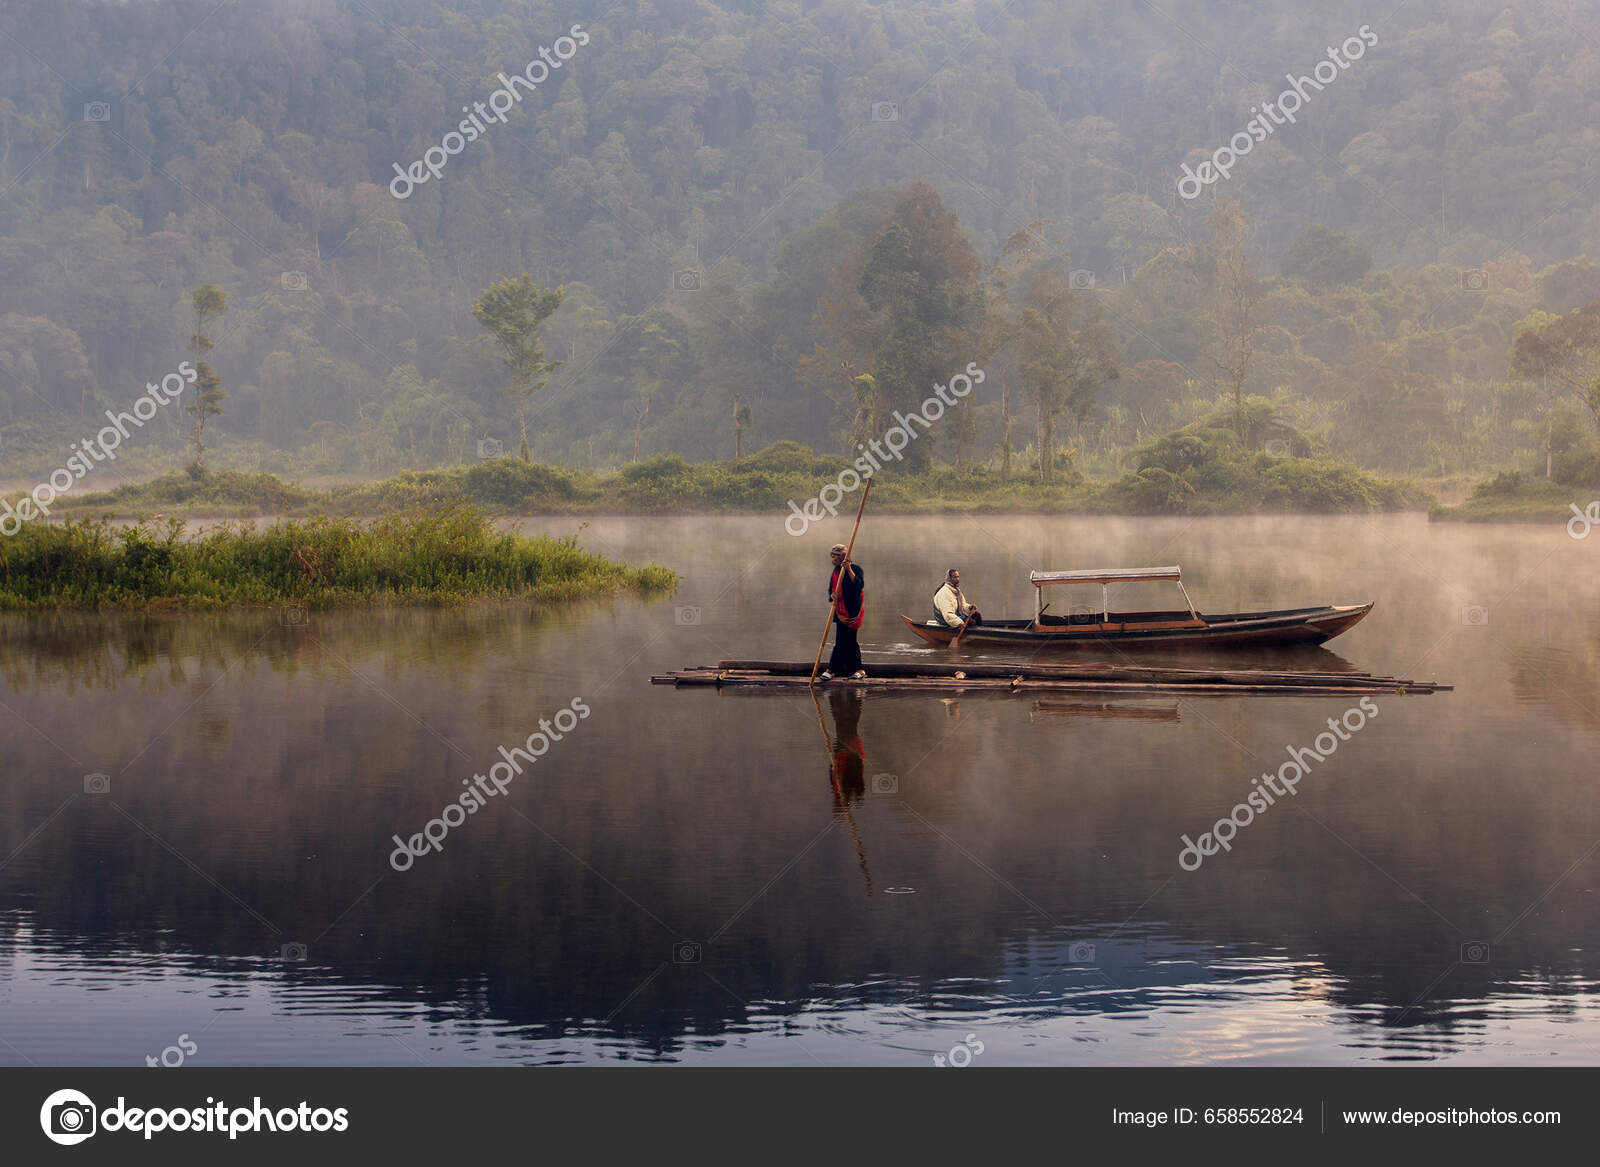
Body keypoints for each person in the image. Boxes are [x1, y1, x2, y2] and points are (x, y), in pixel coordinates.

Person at [821, 543, 866, 680]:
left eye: (836, 556)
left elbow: (858, 585)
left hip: (852, 612)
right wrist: (833, 595)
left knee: (847, 641)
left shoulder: (856, 569)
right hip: (840, 612)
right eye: (833, 556)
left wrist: (848, 569)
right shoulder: (835, 572)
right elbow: (831, 591)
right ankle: (851, 669)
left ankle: (834, 670)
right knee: (843, 641)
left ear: (843, 558)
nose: (833, 558)